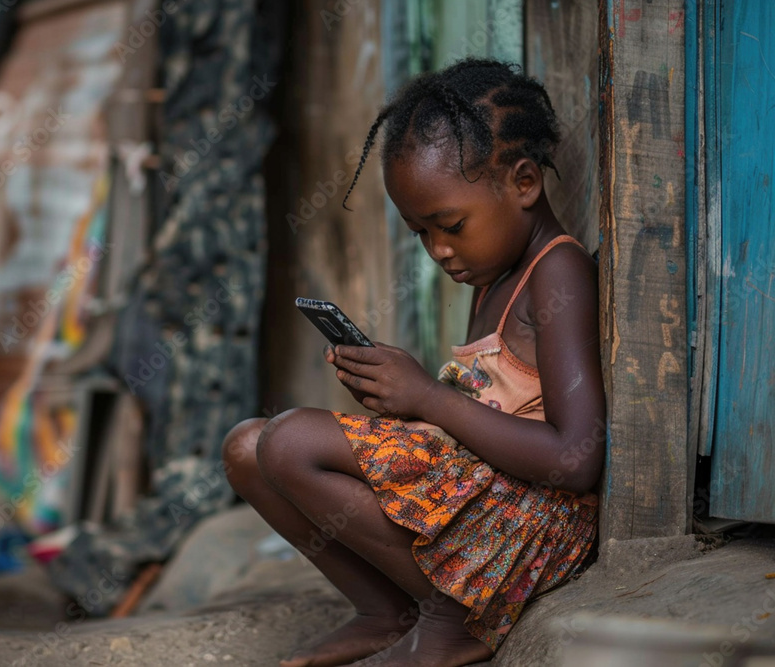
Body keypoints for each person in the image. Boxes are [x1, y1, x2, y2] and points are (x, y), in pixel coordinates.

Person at [222, 58, 605, 667]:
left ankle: (454, 621)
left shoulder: (557, 272)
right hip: (486, 509)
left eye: (449, 225)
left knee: (291, 441)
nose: (439, 250)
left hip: (533, 530)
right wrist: (397, 400)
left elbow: (575, 459)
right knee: (248, 447)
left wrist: (428, 399)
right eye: (420, 234)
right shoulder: (490, 279)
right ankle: (387, 612)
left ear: (524, 182)